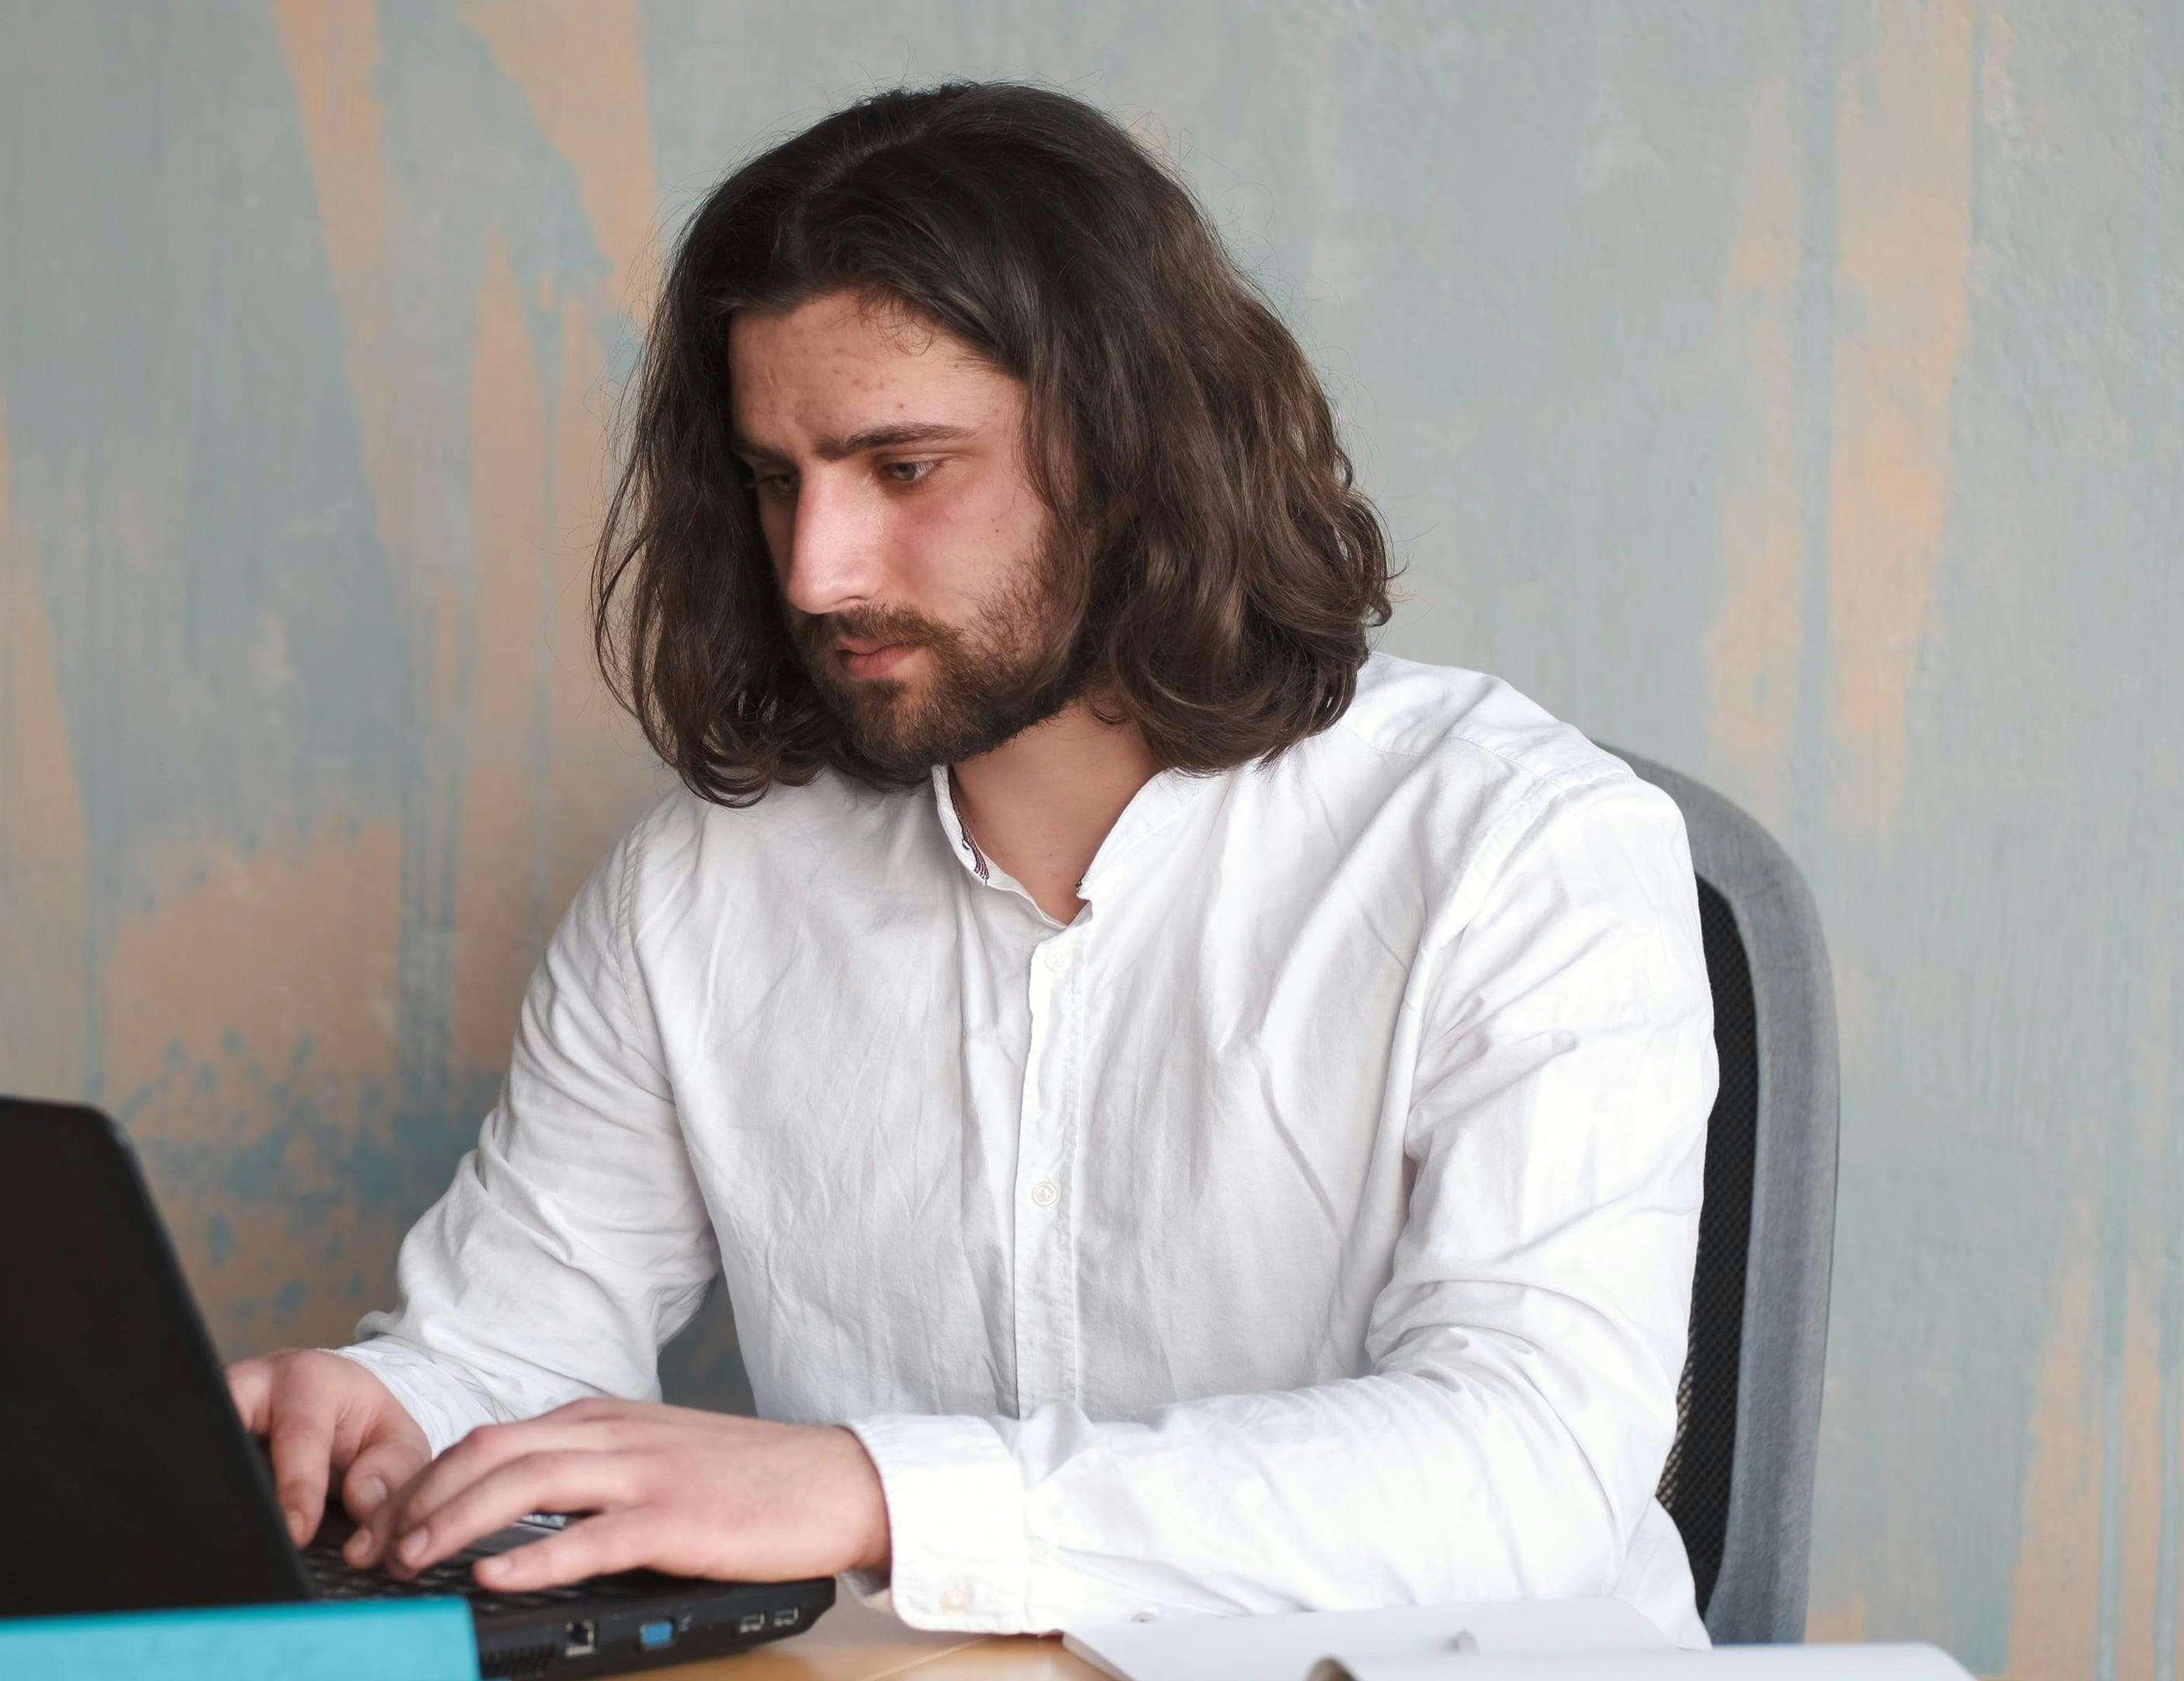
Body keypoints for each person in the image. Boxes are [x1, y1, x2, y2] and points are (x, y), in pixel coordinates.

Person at [226, 80, 1716, 1644]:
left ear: (1136, 450)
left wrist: (878, 1492)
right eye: (777, 478)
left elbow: (1526, 1465)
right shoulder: (701, 892)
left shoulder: (1525, 850)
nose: (818, 570)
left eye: (906, 469)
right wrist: (387, 1412)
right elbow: (507, 1346)